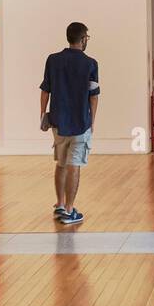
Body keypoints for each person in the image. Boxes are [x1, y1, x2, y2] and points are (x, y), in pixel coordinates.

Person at [40, 21, 99, 225]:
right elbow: (93, 95)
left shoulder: (53, 60)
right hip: (80, 122)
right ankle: (69, 209)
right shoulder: (90, 63)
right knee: (74, 164)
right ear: (83, 39)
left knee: (61, 163)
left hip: (58, 122)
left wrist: (43, 114)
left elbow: (45, 90)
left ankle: (59, 204)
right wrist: (92, 121)